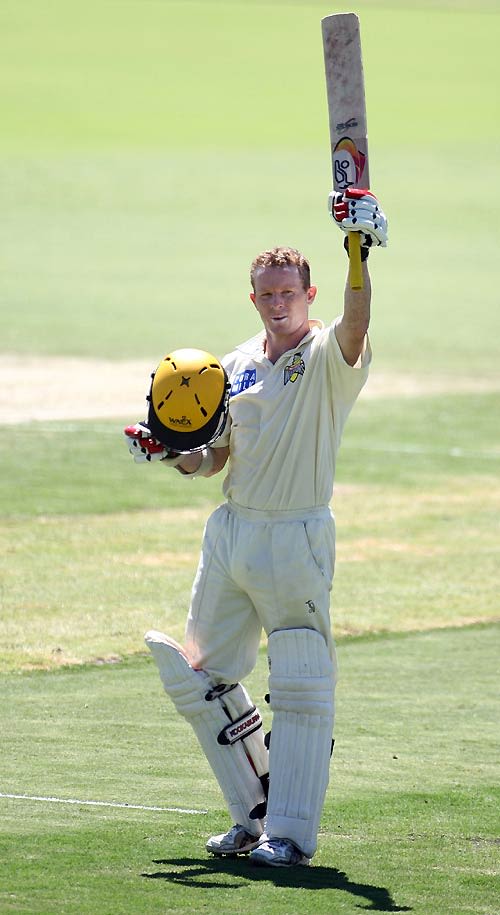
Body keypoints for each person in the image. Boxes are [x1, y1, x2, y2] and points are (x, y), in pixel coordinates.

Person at [125, 187, 387, 867]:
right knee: (199, 674)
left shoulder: (330, 356)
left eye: (289, 293)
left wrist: (358, 251)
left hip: (297, 534)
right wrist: (172, 453)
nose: (279, 304)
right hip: (233, 532)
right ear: (254, 300)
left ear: (309, 293)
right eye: (267, 294)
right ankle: (253, 814)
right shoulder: (234, 367)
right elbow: (211, 459)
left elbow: (356, 326)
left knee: (300, 679)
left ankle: (292, 835)